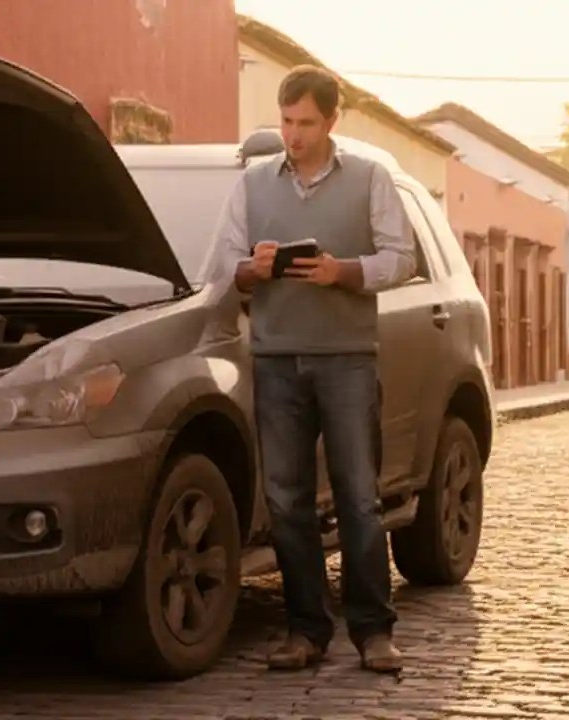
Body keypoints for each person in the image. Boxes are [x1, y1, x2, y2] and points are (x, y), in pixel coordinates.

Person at [211, 64, 416, 673]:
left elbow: (401, 257)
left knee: (358, 498)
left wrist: (343, 272)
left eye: (305, 123)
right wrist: (255, 267)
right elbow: (221, 268)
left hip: (348, 360)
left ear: (331, 121)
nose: (293, 134)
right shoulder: (252, 184)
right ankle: (305, 630)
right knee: (286, 501)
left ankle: (374, 631)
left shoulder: (370, 178)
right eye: (286, 121)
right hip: (275, 360)